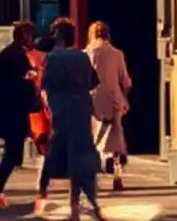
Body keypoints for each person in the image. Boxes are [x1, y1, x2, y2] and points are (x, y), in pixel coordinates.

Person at [38, 18, 104, 221]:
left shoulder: (52, 58)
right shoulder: (82, 57)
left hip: (60, 111)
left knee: (57, 150)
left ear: (57, 36)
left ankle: (43, 189)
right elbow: (94, 82)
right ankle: (83, 202)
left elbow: (44, 85)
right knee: (80, 155)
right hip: (81, 111)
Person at [0, 21, 38, 207]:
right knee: (12, 153)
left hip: (8, 109)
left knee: (13, 152)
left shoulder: (7, 54)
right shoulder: (17, 56)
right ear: (23, 36)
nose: (32, 38)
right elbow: (20, 83)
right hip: (14, 111)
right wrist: (31, 78)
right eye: (29, 35)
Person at [85, 21, 132, 191]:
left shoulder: (86, 53)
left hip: (94, 100)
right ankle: (117, 175)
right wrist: (124, 99)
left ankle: (92, 175)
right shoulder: (117, 54)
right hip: (114, 100)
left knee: (93, 138)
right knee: (116, 136)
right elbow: (125, 81)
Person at [27, 35, 54, 156]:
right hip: (50, 93)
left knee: (38, 126)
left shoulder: (30, 56)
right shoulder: (51, 57)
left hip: (35, 93)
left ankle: (44, 149)